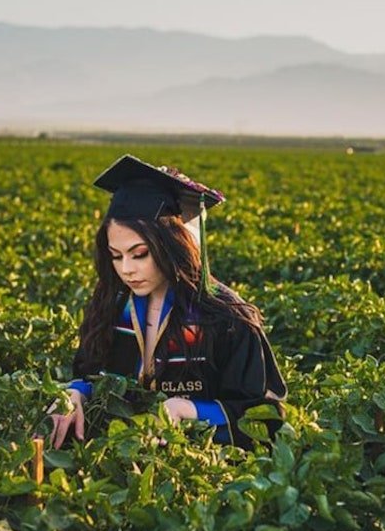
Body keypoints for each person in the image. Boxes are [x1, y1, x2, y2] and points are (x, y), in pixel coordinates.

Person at [50, 155, 286, 450]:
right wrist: (75, 395)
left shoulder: (226, 317)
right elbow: (89, 372)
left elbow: (264, 416)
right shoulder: (110, 304)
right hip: (116, 465)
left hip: (202, 474)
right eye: (116, 255)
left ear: (170, 245)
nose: (126, 269)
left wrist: (190, 411)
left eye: (139, 254)